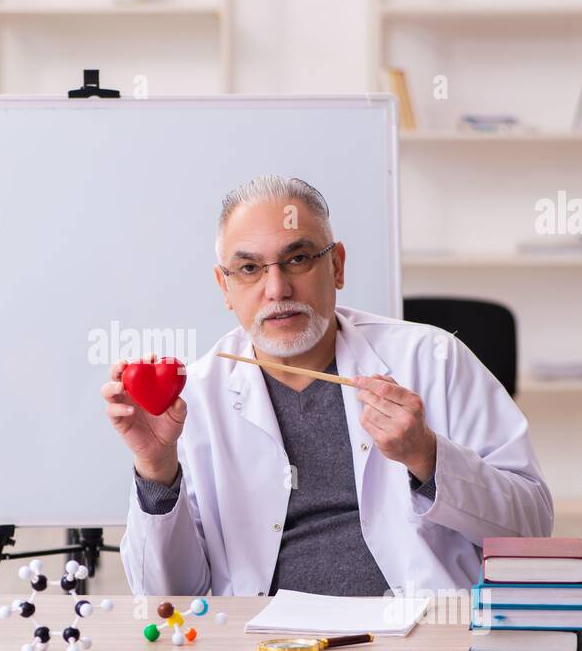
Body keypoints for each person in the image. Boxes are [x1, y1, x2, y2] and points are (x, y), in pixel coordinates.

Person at [101, 175, 553, 597]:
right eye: (249, 268)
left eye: (297, 259)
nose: (277, 289)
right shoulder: (193, 398)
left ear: (336, 265)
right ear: (224, 286)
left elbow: (532, 527)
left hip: (417, 643)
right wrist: (156, 470)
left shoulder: (434, 359)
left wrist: (428, 457)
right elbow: (166, 596)